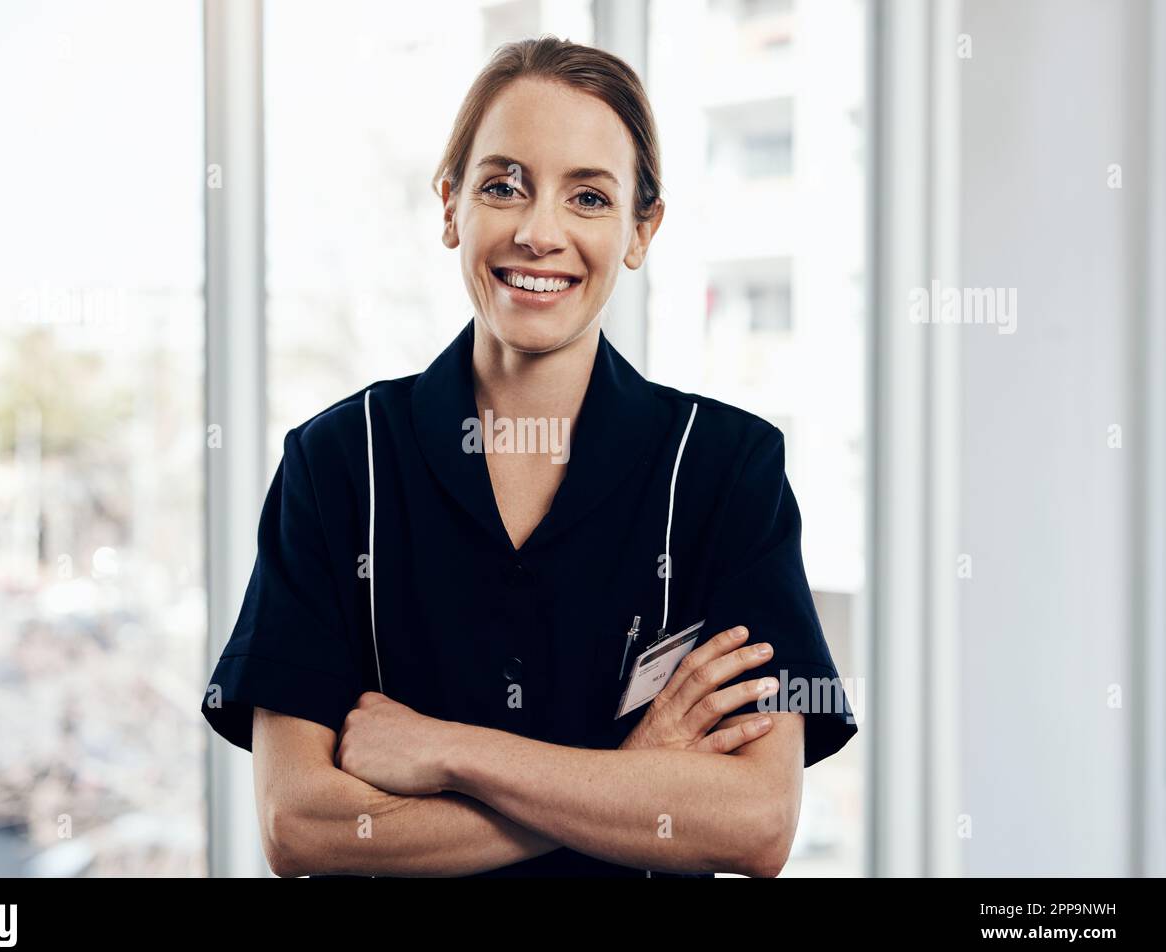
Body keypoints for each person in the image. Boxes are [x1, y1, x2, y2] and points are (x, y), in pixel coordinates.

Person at [201, 35, 857, 878]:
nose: (540, 232)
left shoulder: (728, 471)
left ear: (641, 229)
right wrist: (632, 772)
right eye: (503, 186)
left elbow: (755, 823)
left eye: (588, 197)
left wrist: (449, 750)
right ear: (450, 207)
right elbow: (299, 825)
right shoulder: (335, 463)